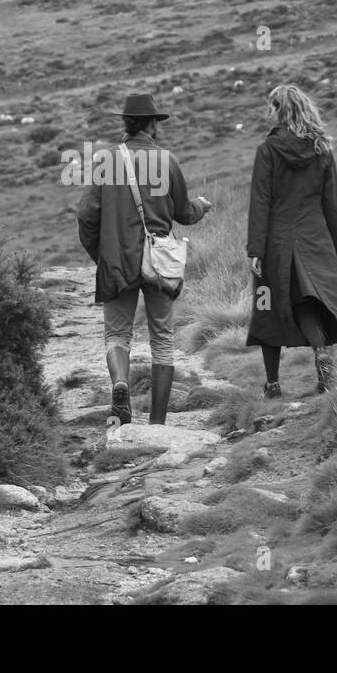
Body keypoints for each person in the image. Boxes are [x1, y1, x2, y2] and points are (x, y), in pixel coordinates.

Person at [77, 93, 212, 425]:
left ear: (126, 123)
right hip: (159, 261)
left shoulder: (105, 160)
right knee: (162, 339)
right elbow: (183, 213)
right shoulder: (167, 161)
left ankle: (120, 385)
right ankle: (158, 422)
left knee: (117, 335)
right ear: (153, 125)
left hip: (118, 260)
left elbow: (86, 216)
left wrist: (102, 255)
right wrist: (201, 206)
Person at [246, 85, 337, 398]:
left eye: (271, 107)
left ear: (279, 110)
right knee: (307, 303)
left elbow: (261, 201)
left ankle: (273, 384)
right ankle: (320, 355)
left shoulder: (267, 150)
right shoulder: (322, 149)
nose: (268, 113)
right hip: (315, 238)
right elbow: (332, 203)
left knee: (266, 306)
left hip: (277, 240)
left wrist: (255, 249)